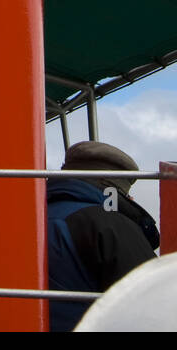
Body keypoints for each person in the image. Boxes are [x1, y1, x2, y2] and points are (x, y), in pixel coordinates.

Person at [46, 140, 159, 332]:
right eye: (125, 193)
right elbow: (155, 305)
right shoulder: (109, 224)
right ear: (112, 189)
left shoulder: (28, 218)